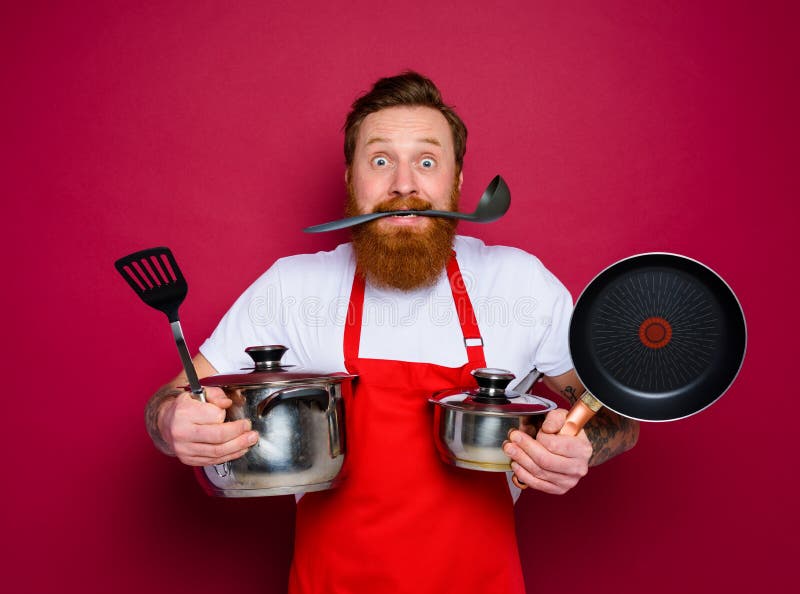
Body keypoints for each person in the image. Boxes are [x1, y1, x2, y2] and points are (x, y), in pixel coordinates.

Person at [145, 71, 639, 593]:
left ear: (457, 182)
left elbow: (615, 417)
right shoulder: (292, 287)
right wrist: (174, 420)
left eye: (426, 162)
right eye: (381, 161)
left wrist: (582, 446)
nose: (404, 183)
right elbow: (174, 398)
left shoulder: (518, 282)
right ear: (351, 180)